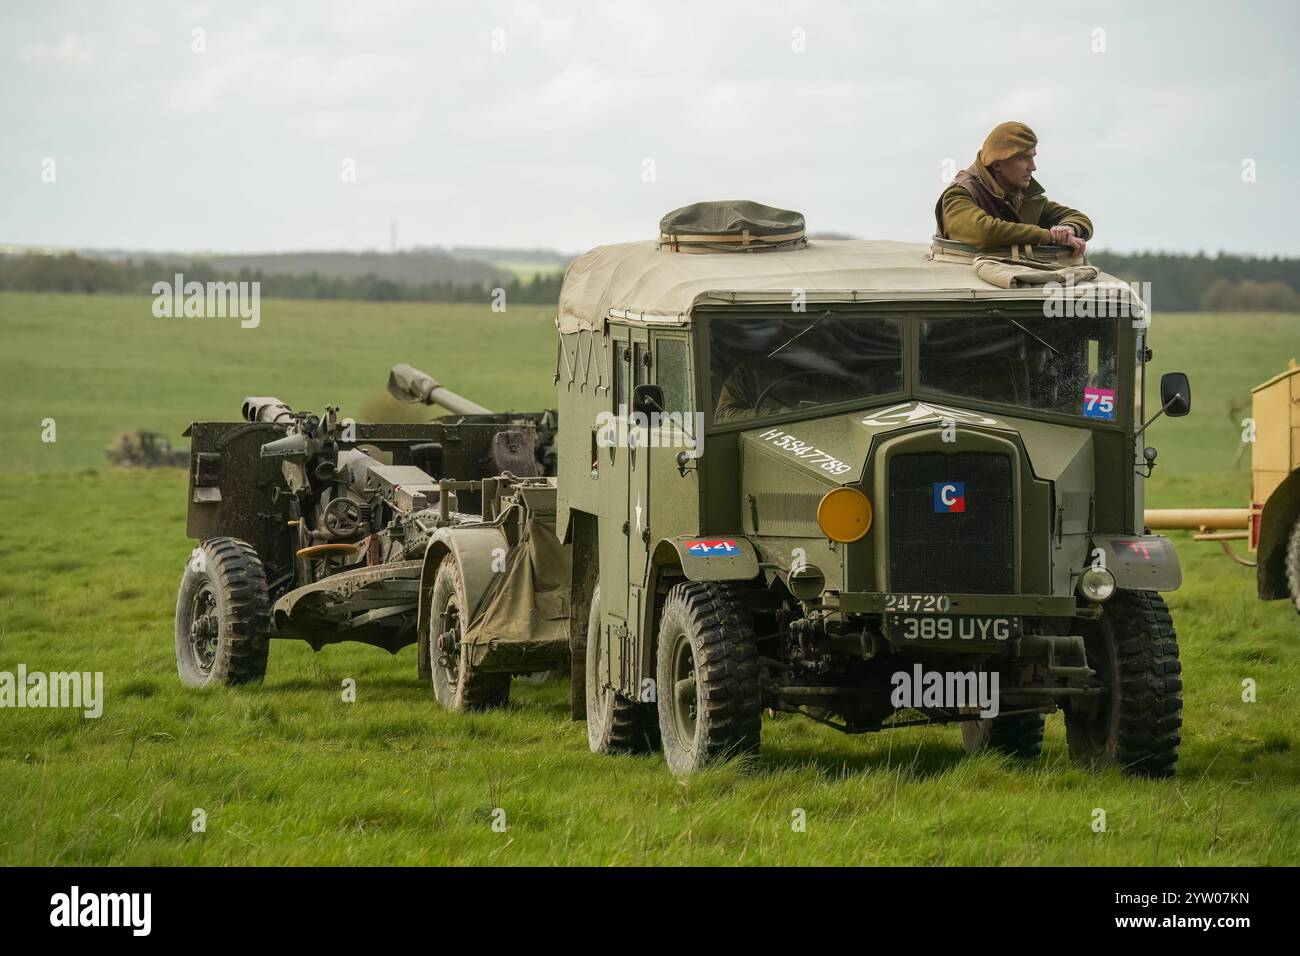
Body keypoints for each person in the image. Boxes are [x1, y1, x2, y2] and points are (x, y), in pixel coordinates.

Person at [935, 122, 1092, 254]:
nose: (1033, 167)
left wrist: (1067, 230)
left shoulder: (1021, 196)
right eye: (1024, 158)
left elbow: (1078, 218)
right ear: (997, 163)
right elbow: (984, 232)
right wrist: (1047, 236)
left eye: (1033, 157)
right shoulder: (960, 194)